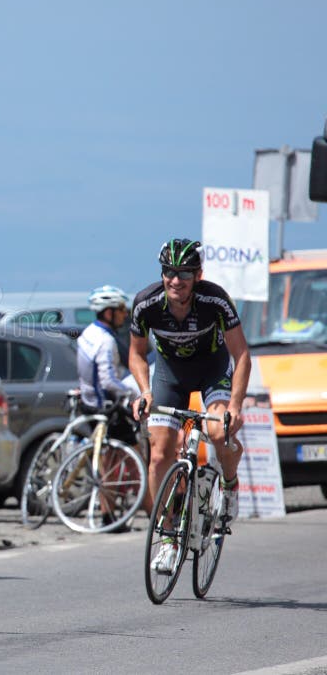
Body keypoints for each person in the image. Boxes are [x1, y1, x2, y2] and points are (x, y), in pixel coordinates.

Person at [129, 238, 250, 572]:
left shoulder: (215, 300)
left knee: (217, 431)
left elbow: (241, 355)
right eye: (169, 272)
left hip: (213, 369)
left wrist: (235, 406)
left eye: (183, 273)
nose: (175, 280)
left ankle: (228, 482)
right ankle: (168, 536)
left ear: (198, 275)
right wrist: (143, 391)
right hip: (171, 375)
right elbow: (137, 354)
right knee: (158, 455)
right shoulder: (146, 304)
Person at [76, 284, 144, 529]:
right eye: (121, 310)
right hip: (107, 408)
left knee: (108, 461)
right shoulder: (106, 341)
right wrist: (134, 391)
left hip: (90, 405)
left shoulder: (87, 334)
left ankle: (109, 515)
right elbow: (108, 380)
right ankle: (157, 513)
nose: (125, 315)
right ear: (108, 313)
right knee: (138, 460)